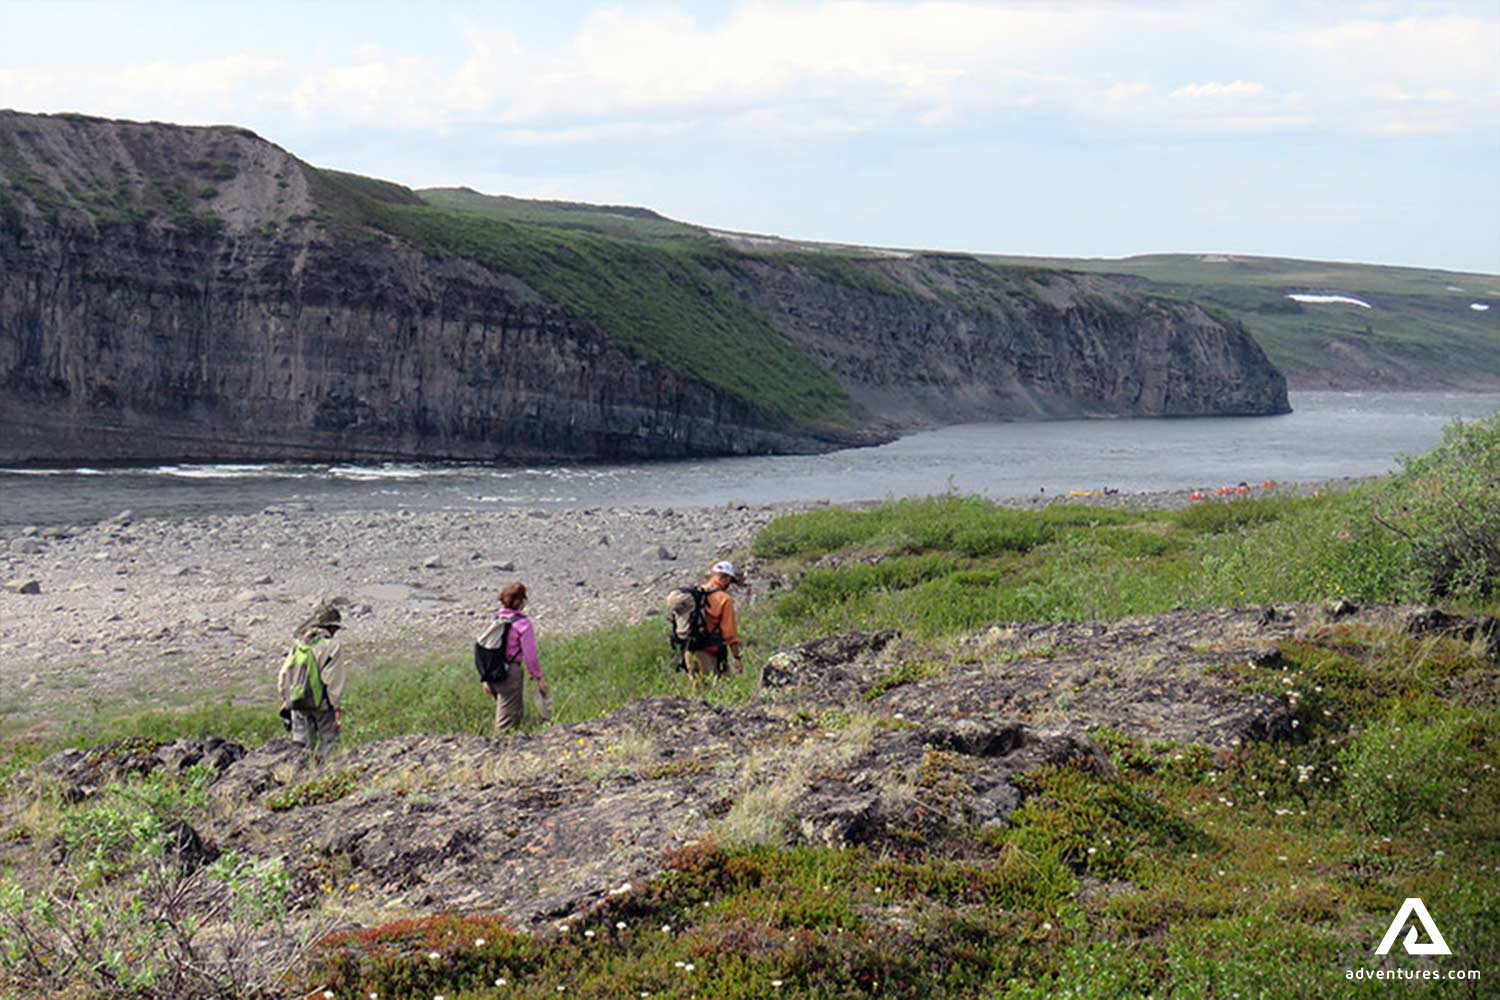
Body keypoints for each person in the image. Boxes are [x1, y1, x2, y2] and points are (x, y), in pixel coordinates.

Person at [277, 604, 346, 761]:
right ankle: (323, 777)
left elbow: (284, 674)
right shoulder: (332, 646)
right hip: (321, 705)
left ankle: (297, 776)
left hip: (297, 701)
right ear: (332, 627)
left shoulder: (299, 645)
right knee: (329, 744)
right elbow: (333, 679)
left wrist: (285, 699)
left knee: (301, 746)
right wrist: (335, 706)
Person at [483, 582, 549, 732]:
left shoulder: (494, 620)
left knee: (505, 712)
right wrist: (539, 679)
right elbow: (530, 654)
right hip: (509, 674)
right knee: (507, 723)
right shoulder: (523, 624)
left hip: (491, 673)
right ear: (521, 601)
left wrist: (485, 679)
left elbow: (486, 649)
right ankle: (500, 750)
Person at [683, 560, 744, 680]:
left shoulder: (696, 593)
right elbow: (730, 634)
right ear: (726, 578)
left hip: (689, 650)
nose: (729, 584)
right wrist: (737, 657)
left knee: (696, 692)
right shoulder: (724, 599)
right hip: (709, 653)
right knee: (723, 688)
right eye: (730, 581)